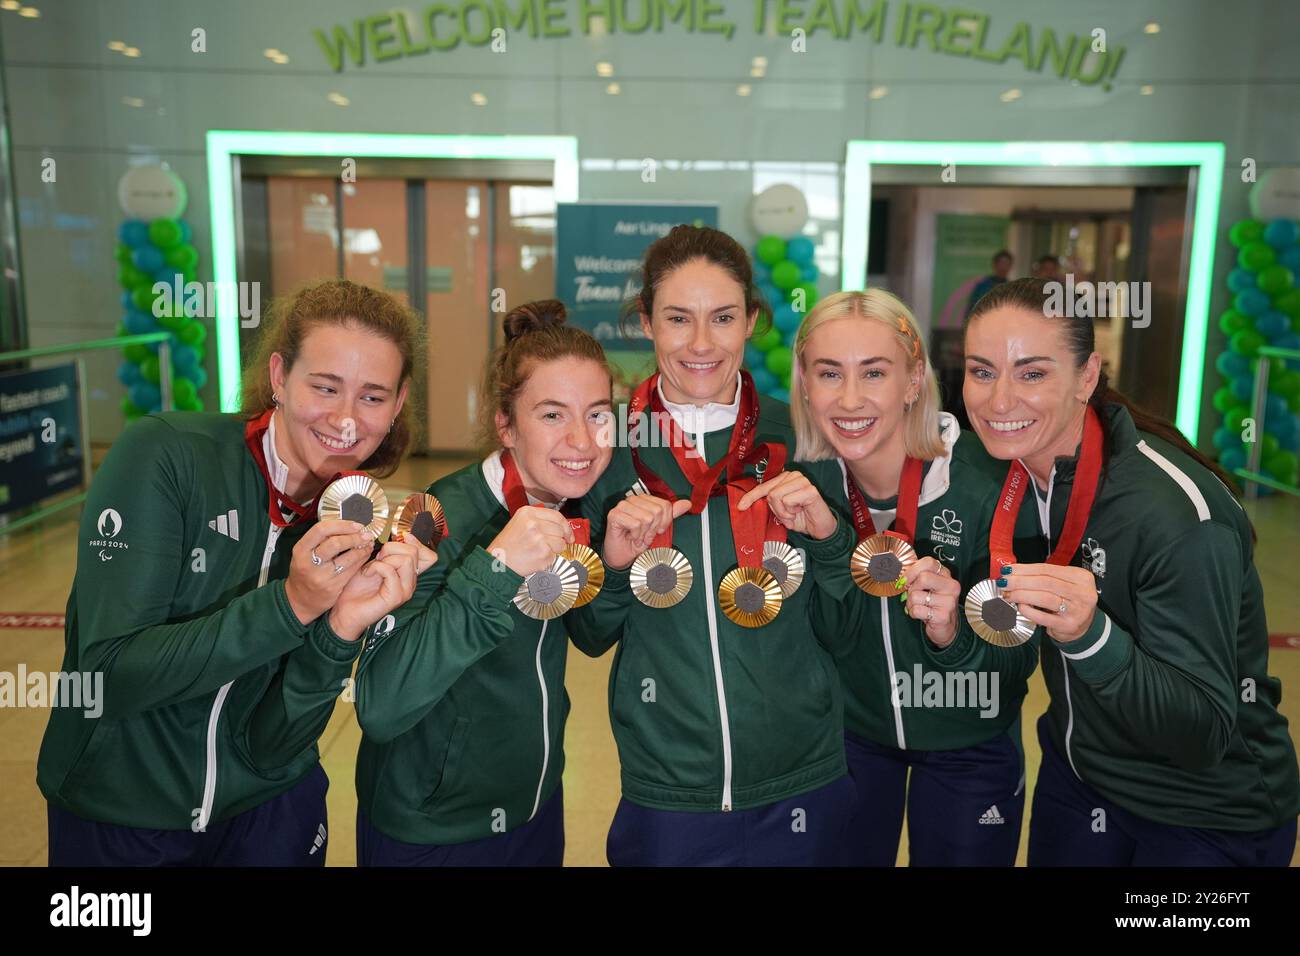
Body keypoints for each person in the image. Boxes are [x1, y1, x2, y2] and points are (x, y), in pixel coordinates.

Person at [38, 278, 427, 866]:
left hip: (271, 811)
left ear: (397, 405)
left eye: (373, 397)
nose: (347, 420)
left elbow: (276, 740)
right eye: (325, 387)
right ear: (278, 376)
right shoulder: (166, 456)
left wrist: (338, 632)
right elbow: (107, 677)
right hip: (120, 814)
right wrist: (290, 605)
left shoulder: (360, 524)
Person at [963, 276, 1299, 866]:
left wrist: (1092, 638)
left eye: (1033, 373)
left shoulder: (1174, 515)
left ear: (1087, 376)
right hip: (1079, 781)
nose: (998, 401)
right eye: (981, 371)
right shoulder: (1010, 474)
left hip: (1204, 815)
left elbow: (1202, 734)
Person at [568, 224, 860, 867]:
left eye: (723, 317)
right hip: (668, 790)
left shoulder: (805, 436)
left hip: (802, 778)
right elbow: (589, 633)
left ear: (752, 320)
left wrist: (834, 540)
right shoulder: (608, 447)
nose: (701, 344)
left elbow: (850, 624)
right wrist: (613, 568)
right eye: (678, 318)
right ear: (645, 322)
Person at [352, 300, 615, 866]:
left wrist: (614, 562)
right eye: (551, 415)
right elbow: (380, 705)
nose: (583, 441)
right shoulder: (432, 516)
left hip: (535, 807)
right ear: (505, 423)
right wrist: (494, 568)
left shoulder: (571, 502)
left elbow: (591, 636)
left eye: (597, 414)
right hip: (433, 829)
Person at [790, 289, 1038, 866]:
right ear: (804, 382)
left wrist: (954, 636)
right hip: (849, 742)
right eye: (830, 373)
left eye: (874, 372)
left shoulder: (993, 478)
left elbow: (1022, 656)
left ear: (913, 380)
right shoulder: (803, 487)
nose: (850, 399)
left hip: (970, 745)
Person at [965, 249, 1014, 317]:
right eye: (1001, 263)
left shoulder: (1013, 288)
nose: (1003, 267)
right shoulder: (982, 286)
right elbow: (972, 309)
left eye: (1006, 264)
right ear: (994, 264)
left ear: (1010, 266)